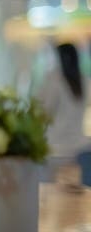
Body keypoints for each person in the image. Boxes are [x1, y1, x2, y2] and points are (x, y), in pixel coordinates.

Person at [37, 43, 90, 180]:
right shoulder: (85, 80)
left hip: (54, 149)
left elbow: (43, 111)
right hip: (78, 148)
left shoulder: (54, 80)